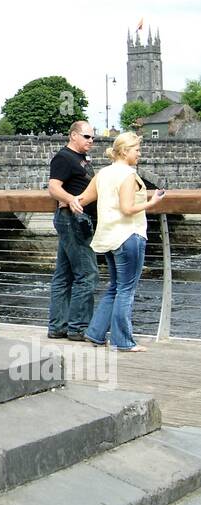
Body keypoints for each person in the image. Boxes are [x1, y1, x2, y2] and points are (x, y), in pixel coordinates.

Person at [74, 132, 165, 352]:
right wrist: (152, 202)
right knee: (126, 290)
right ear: (125, 151)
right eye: (136, 150)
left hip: (108, 237)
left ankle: (95, 333)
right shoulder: (127, 175)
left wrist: (71, 202)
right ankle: (122, 341)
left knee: (115, 287)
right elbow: (127, 209)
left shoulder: (104, 173)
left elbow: (82, 199)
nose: (139, 154)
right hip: (128, 236)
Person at [47, 120, 98, 340]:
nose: (91, 141)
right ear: (73, 136)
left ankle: (58, 326)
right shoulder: (64, 157)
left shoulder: (82, 159)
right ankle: (78, 327)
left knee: (64, 274)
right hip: (72, 219)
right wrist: (72, 200)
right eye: (87, 136)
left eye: (93, 137)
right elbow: (53, 186)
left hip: (76, 219)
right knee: (87, 274)